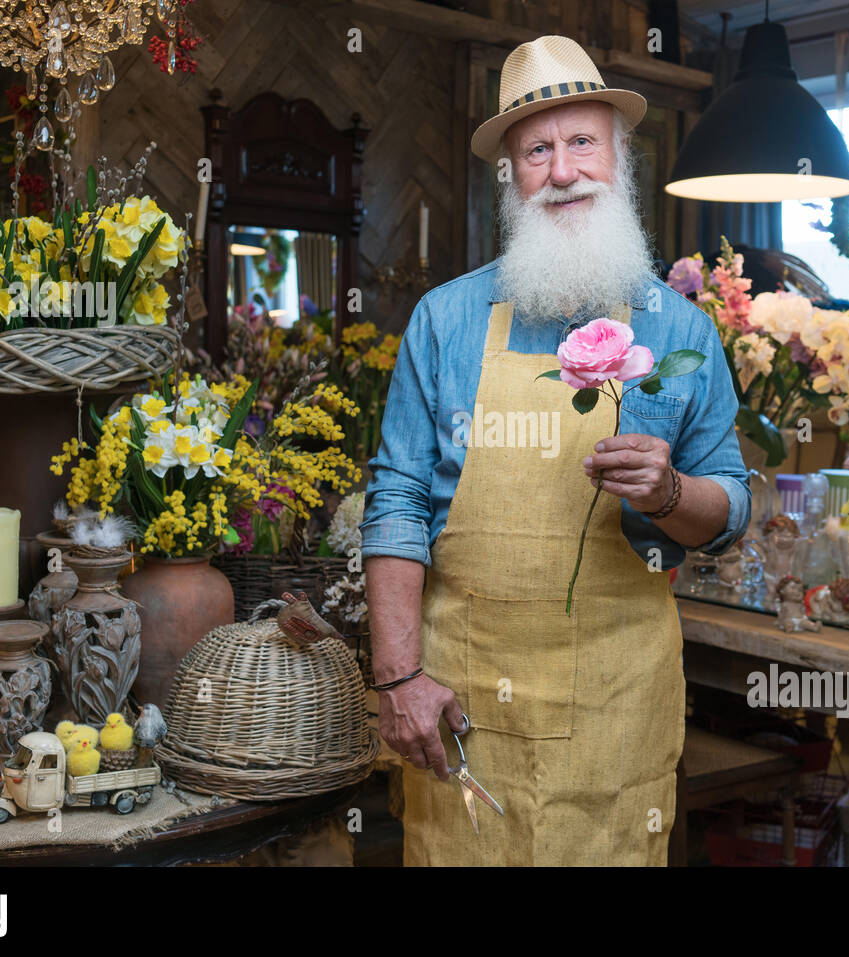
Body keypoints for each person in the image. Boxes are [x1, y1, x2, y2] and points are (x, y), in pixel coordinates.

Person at [360, 34, 751, 866]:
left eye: (582, 142)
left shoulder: (681, 331)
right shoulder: (446, 320)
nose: (562, 169)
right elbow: (395, 500)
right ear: (510, 173)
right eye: (536, 150)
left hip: (616, 713)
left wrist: (670, 491)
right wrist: (396, 678)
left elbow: (729, 509)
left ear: (618, 157)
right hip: (463, 705)